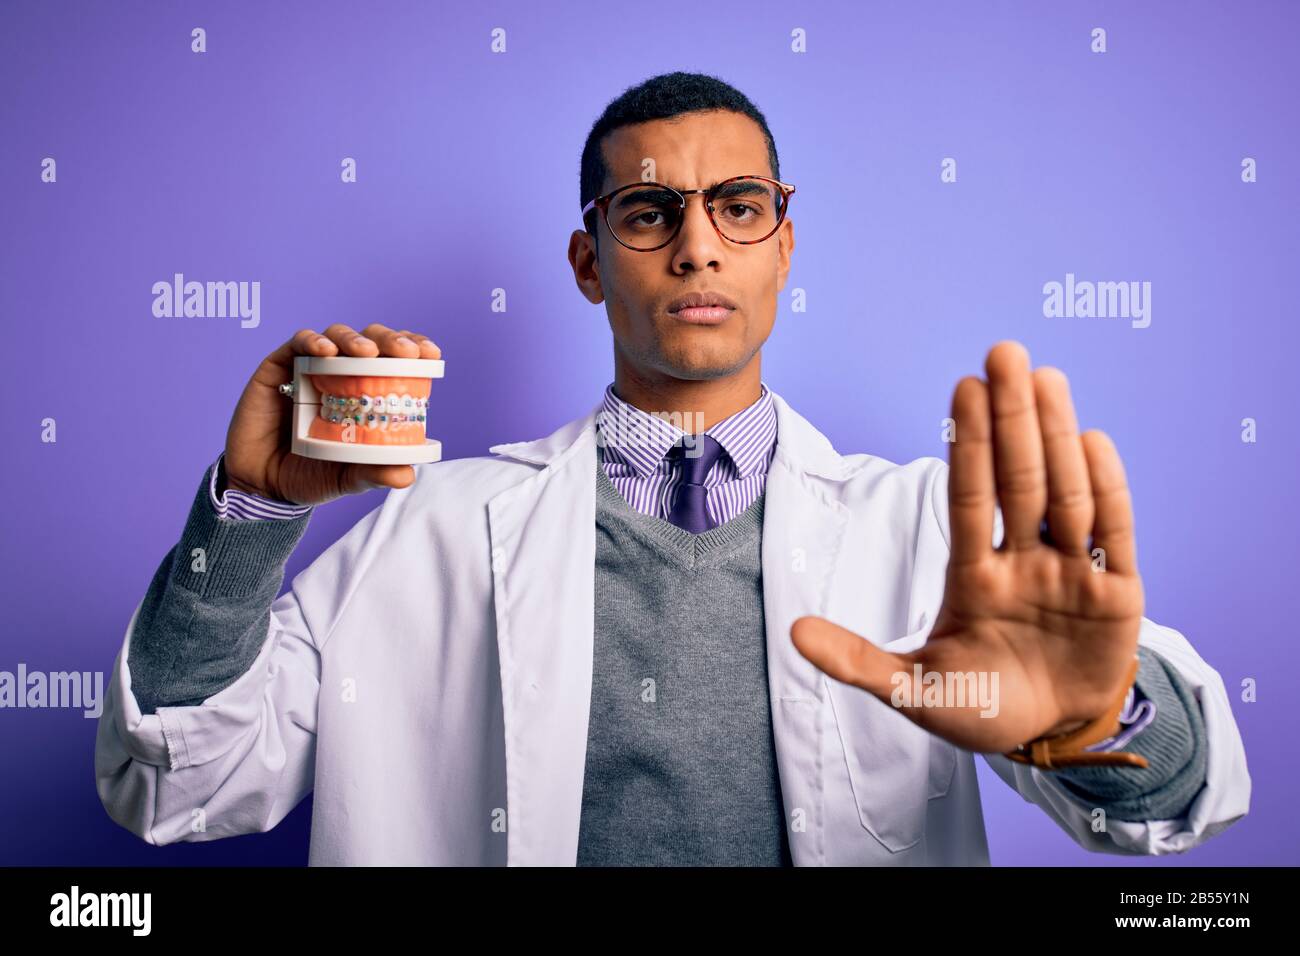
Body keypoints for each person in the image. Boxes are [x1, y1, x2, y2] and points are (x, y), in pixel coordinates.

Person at [95, 71, 1250, 865]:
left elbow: (1173, 807)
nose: (697, 243)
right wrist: (245, 517)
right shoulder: (428, 530)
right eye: (649, 210)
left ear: (782, 246)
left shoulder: (922, 539)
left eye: (738, 207)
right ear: (589, 262)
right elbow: (175, 782)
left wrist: (1102, 714)